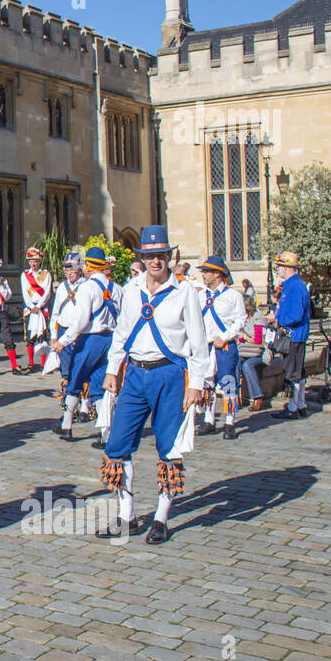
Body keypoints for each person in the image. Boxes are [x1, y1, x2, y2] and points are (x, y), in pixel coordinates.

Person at [97, 225, 209, 545]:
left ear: (169, 257)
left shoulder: (184, 291)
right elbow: (121, 332)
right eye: (149, 256)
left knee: (168, 447)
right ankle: (127, 516)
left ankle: (160, 518)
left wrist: (196, 384)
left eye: (160, 255)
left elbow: (198, 344)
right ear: (142, 258)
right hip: (134, 374)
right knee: (117, 444)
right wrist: (112, 369)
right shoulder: (131, 289)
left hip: (170, 375)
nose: (155, 261)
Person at [52, 246, 118, 444]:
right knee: (100, 385)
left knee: (75, 380)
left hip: (90, 339)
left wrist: (62, 341)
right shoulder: (117, 288)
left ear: (88, 266)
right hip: (110, 339)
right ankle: (105, 434)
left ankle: (67, 425)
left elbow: (81, 321)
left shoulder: (87, 288)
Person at [195, 255, 248, 440]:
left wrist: (225, 337)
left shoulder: (233, 296)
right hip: (206, 347)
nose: (204, 275)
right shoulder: (200, 295)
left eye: (207, 272)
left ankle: (230, 422)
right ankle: (209, 420)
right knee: (207, 385)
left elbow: (241, 321)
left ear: (218, 274)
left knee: (228, 384)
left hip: (225, 346)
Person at [268, 251, 312, 420]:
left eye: (279, 266)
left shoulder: (294, 287)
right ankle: (300, 405)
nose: (278, 269)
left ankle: (293, 407)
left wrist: (276, 318)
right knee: (297, 371)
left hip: (293, 335)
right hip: (295, 336)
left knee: (292, 373)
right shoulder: (293, 285)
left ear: (287, 268)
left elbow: (294, 315)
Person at [49, 252, 85, 411]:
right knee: (66, 369)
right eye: (67, 269)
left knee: (81, 368)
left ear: (80, 270)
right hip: (63, 332)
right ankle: (69, 405)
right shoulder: (62, 287)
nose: (70, 272)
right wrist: (53, 336)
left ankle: (85, 404)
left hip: (80, 333)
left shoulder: (86, 286)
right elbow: (55, 313)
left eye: (73, 269)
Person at [241, 287, 283, 411]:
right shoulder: (242, 318)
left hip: (260, 354)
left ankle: (258, 397)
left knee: (247, 365)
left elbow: (258, 341)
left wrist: (244, 337)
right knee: (235, 361)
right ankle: (234, 395)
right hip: (245, 352)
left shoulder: (258, 319)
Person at [20, 247, 53, 373]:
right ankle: (31, 363)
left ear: (39, 261)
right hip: (30, 308)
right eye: (31, 261)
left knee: (43, 335)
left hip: (42, 307)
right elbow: (25, 292)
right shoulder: (24, 275)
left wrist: (39, 306)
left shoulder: (46, 274)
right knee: (29, 336)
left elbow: (47, 292)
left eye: (36, 261)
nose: (33, 264)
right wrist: (31, 306)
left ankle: (44, 363)